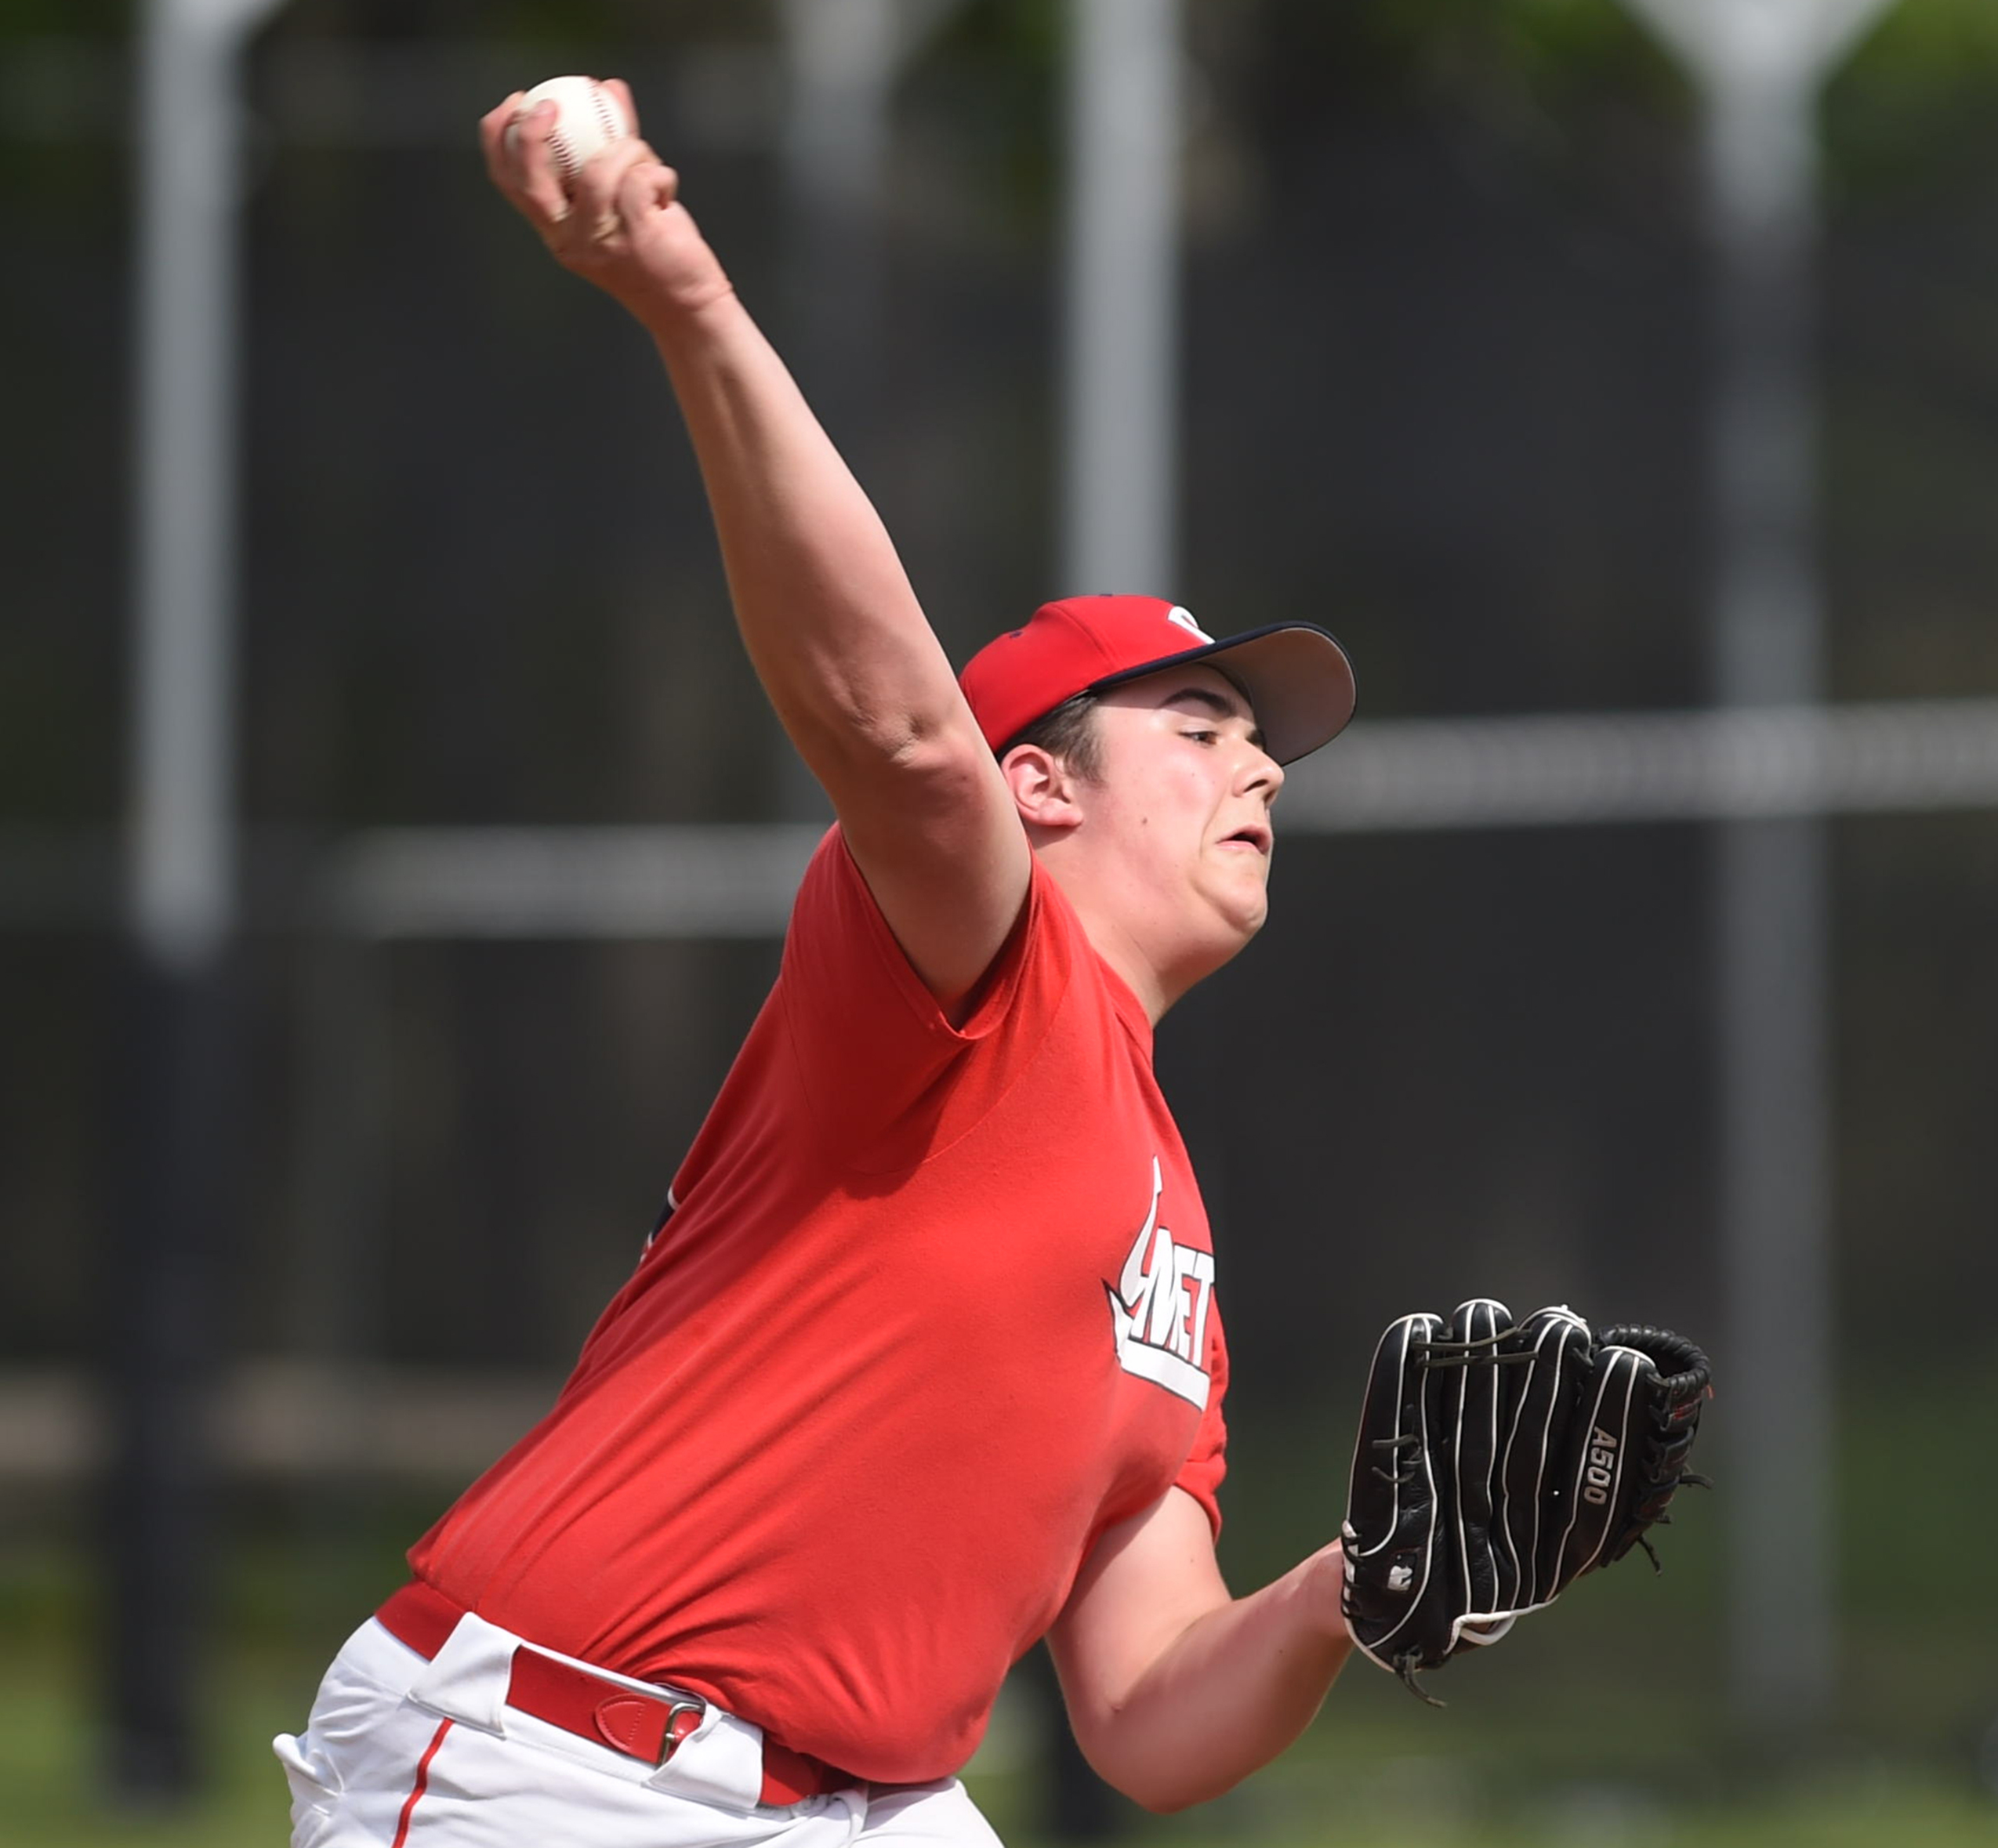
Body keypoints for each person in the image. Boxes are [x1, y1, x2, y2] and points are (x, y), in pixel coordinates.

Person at [274, 79, 1364, 1848]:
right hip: (562, 1767)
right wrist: (682, 292)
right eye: (1196, 721)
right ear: (1038, 788)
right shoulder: (977, 980)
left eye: (1260, 743)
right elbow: (895, 731)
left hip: (869, 1807)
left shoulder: (1171, 1241)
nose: (1253, 767)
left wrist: (1357, 1585)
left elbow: (1153, 1719)